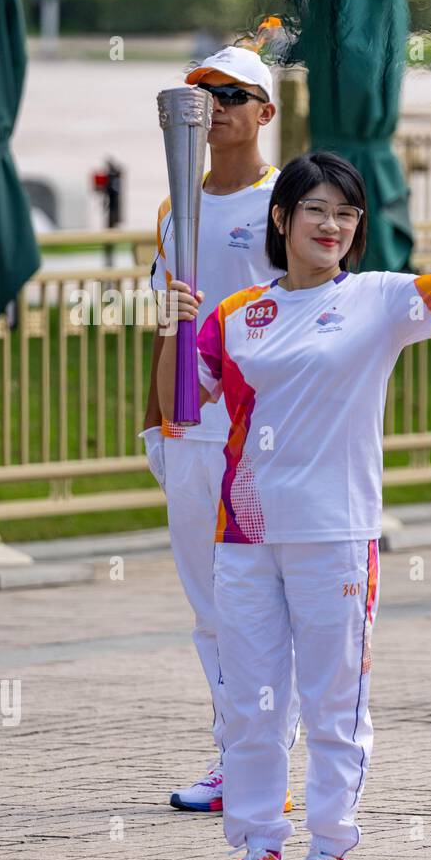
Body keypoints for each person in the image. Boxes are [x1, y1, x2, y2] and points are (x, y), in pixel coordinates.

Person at [157, 151, 431, 860]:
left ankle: (330, 851)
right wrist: (171, 331)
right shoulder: (238, 313)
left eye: (346, 213)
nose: (332, 224)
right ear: (281, 219)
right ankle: (257, 850)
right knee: (251, 702)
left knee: (332, 699)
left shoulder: (378, 300)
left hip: (335, 531)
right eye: (316, 209)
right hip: (245, 533)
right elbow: (180, 409)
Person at [141, 45, 302, 812]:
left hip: (260, 437)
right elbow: (167, 322)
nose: (217, 107)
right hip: (190, 431)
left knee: (259, 605)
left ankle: (267, 760)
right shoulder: (176, 207)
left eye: (233, 95)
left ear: (265, 112)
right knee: (209, 610)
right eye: (203, 94)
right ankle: (234, 756)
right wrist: (155, 424)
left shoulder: (287, 207)